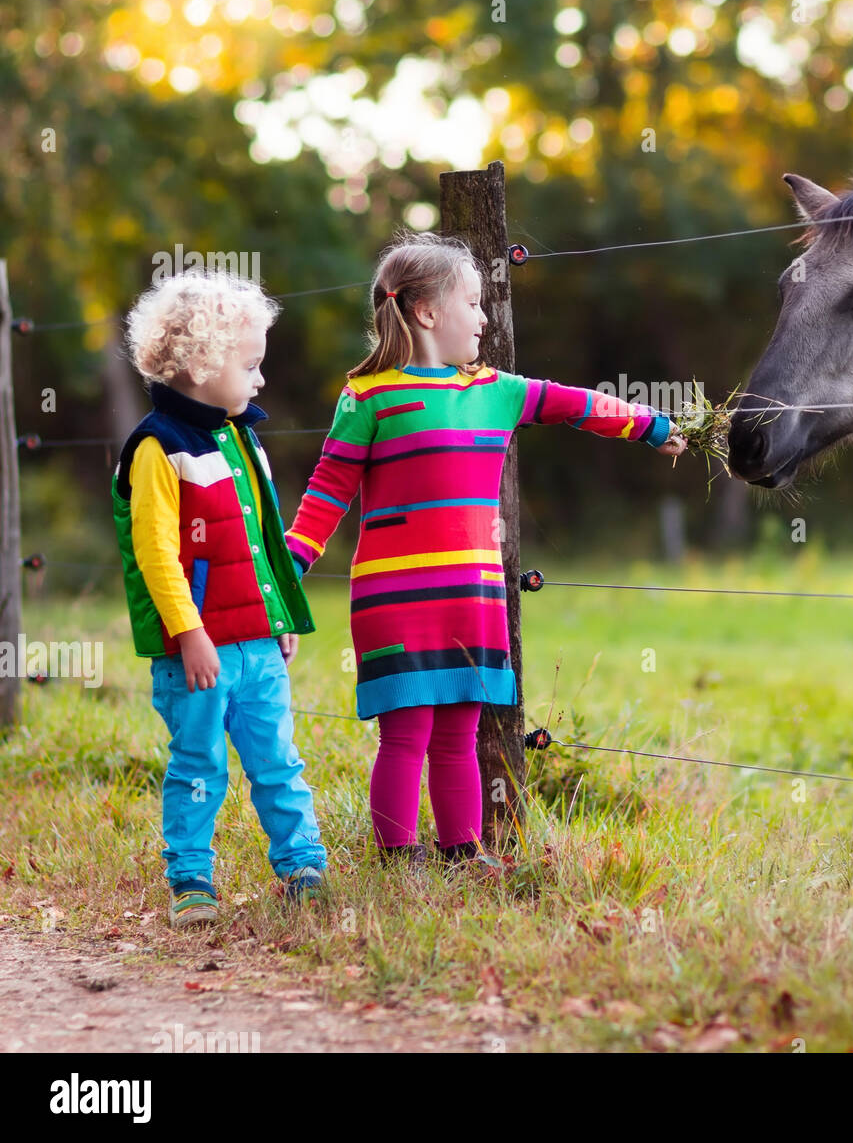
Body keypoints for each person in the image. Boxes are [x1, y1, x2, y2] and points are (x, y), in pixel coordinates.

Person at [285, 233, 686, 870]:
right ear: (426, 313)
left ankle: (462, 852)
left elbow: (576, 405)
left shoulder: (496, 390)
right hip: (394, 598)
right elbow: (328, 490)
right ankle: (398, 857)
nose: (484, 317)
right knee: (406, 734)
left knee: (460, 734)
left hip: (469, 597)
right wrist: (289, 570)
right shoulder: (367, 397)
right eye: (472, 303)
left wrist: (651, 426)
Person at [111, 271, 327, 927]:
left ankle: (303, 867)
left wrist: (279, 613)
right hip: (195, 654)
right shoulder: (157, 449)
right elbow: (155, 554)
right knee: (200, 763)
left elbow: (262, 535)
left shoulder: (242, 437)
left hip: (258, 643)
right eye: (251, 364)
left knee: (277, 759)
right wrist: (191, 633)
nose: (260, 379)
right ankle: (191, 880)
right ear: (203, 364)